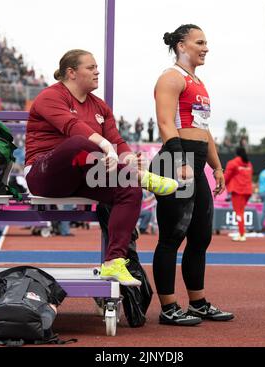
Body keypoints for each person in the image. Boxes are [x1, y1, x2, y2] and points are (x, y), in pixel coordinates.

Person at [24, 49, 179, 287]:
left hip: (84, 174)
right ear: (71, 72)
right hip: (44, 175)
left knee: (128, 188)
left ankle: (114, 261)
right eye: (91, 67)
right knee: (76, 143)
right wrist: (105, 147)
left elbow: (117, 140)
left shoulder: (100, 107)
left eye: (97, 67)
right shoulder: (50, 96)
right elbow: (72, 127)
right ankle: (139, 176)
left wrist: (127, 157)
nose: (97, 72)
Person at [150, 24, 234, 326]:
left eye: (206, 42)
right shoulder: (171, 77)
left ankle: (197, 303)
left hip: (194, 162)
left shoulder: (197, 81)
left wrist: (217, 166)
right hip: (175, 160)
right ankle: (169, 308)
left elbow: (204, 129)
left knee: (200, 237)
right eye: (200, 42)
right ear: (182, 46)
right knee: (172, 236)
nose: (206, 47)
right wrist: (178, 158)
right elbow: (164, 120)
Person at [224, 147, 253, 242]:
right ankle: (241, 232)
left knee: (239, 212)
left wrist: (221, 184)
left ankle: (242, 234)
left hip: (237, 191)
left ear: (236, 153)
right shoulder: (249, 164)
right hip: (247, 191)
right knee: (241, 211)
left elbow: (226, 176)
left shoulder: (232, 163)